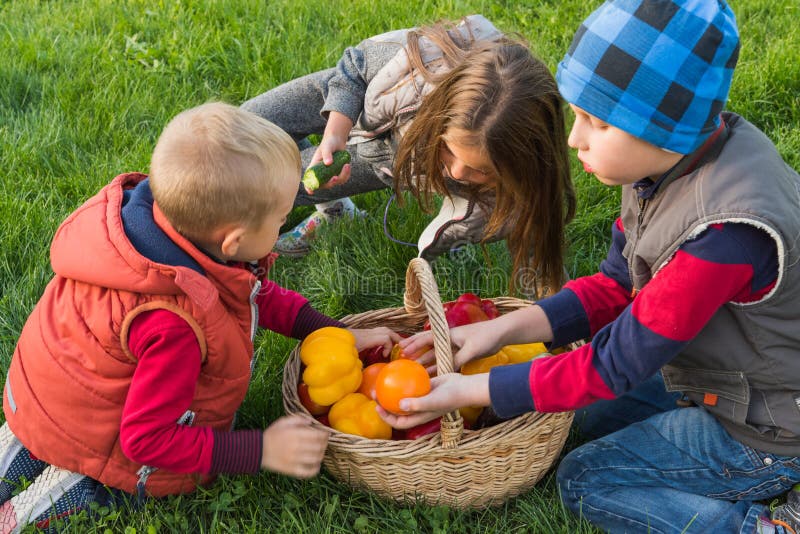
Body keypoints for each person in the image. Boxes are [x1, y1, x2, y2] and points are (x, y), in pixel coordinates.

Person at [380, 1, 800, 532]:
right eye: (578, 115)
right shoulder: (663, 167)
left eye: (596, 123)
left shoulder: (724, 237)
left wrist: (468, 391)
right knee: (571, 412)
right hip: (711, 373)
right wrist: (495, 331)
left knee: (587, 479)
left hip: (767, 425)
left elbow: (612, 364)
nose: (575, 139)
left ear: (660, 130)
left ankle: (763, 526)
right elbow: (615, 287)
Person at [0, 102, 398, 530]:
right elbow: (146, 440)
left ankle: (30, 439)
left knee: (48, 430)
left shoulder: (151, 232)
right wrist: (259, 450)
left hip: (41, 393)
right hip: (113, 433)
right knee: (109, 485)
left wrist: (332, 333)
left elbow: (255, 294)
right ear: (233, 241)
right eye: (281, 220)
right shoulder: (174, 325)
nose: (284, 226)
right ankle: (45, 498)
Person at [242, 15, 576, 294]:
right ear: (441, 115)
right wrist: (335, 135)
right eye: (449, 150)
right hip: (359, 98)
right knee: (244, 129)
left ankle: (334, 211)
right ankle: (333, 200)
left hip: (387, 159)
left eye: (481, 171)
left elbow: (537, 238)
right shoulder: (410, 69)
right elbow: (353, 68)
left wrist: (559, 307)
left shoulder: (520, 184)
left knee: (271, 185)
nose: (458, 173)